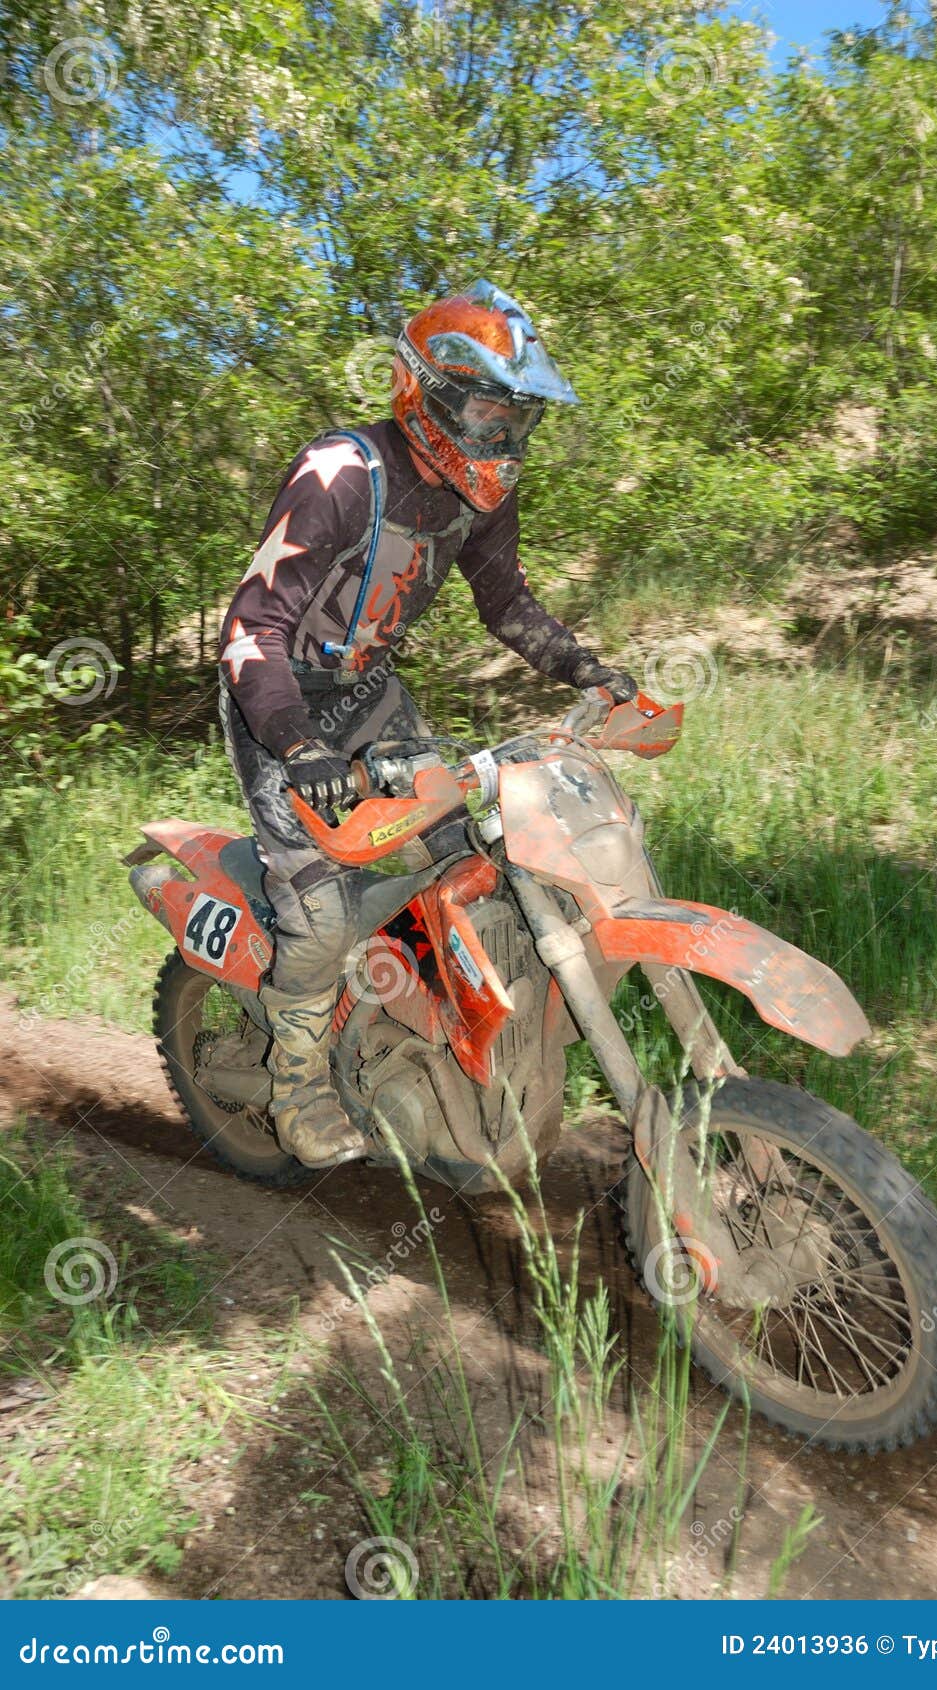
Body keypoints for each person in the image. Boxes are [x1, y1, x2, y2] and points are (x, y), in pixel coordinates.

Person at [218, 279, 636, 1170]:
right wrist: (297, 745)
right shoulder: (340, 475)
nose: (504, 436)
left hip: (369, 691)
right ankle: (298, 1082)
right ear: (429, 393)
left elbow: (507, 601)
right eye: (489, 409)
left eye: (518, 418)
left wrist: (587, 670)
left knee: (469, 848)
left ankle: (412, 1030)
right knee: (323, 913)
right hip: (280, 704)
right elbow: (251, 626)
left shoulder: (480, 494)